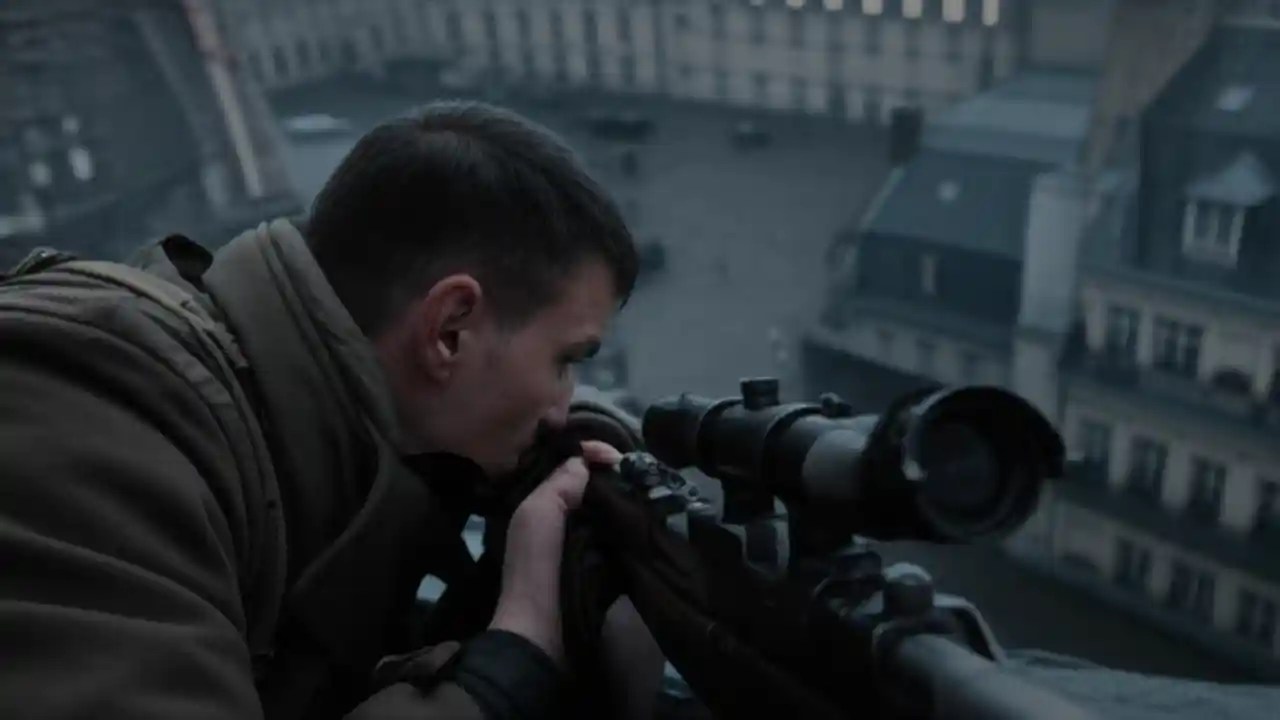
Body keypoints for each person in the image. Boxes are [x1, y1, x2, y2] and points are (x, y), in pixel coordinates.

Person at [0, 101, 663, 719]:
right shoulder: (91, 404)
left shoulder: (258, 428)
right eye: (566, 360)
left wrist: (487, 563)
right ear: (449, 330)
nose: (562, 407)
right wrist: (515, 653)